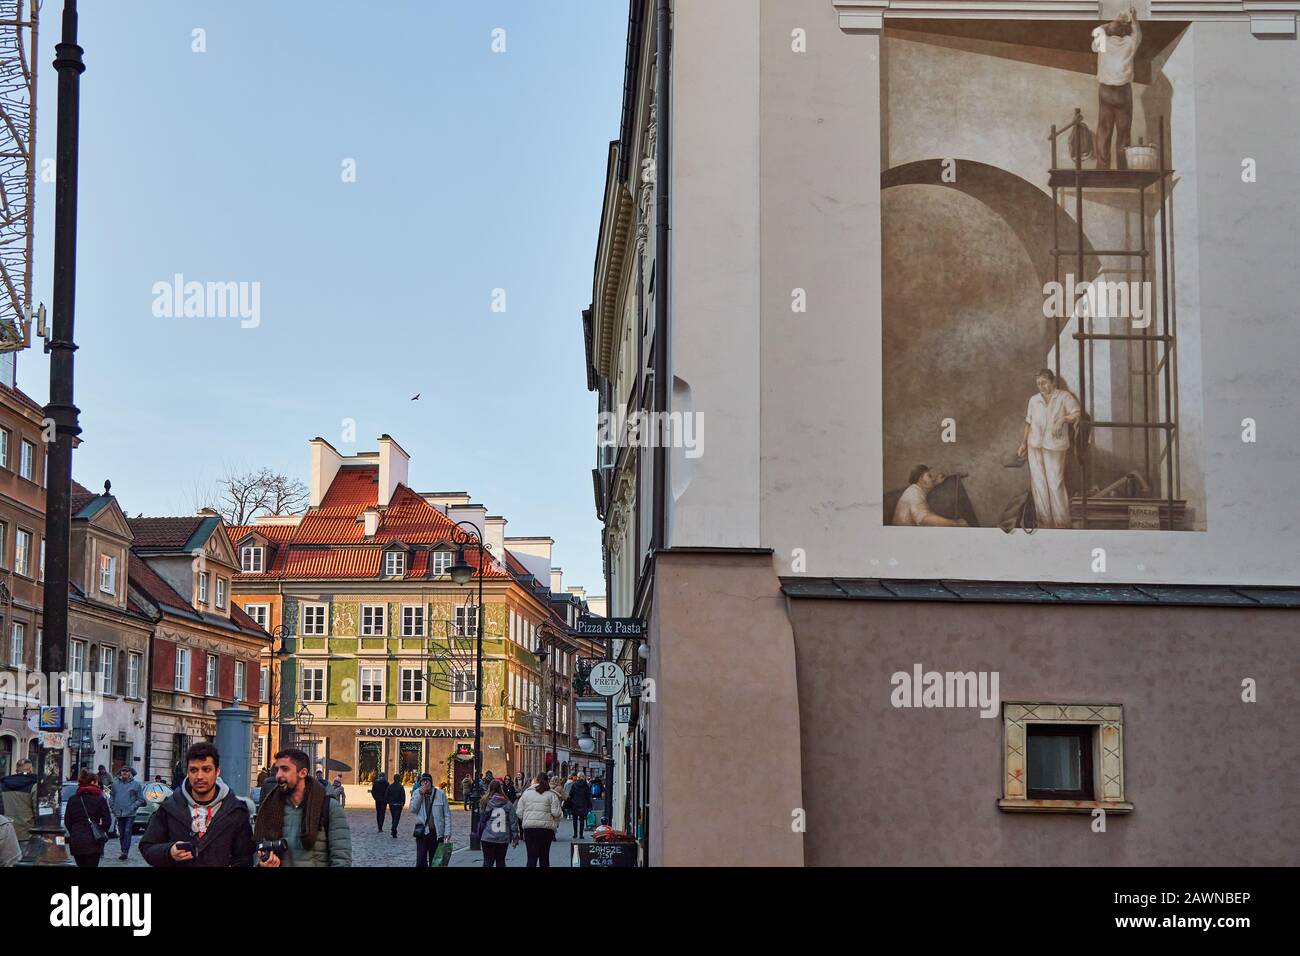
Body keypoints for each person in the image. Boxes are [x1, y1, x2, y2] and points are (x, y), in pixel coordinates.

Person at [139, 742, 253, 867]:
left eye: (206, 769)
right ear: (187, 772)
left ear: (217, 771)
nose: (199, 776)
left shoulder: (236, 811)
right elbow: (147, 847)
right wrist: (169, 851)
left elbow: (244, 858)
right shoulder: (169, 807)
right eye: (193, 770)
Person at [253, 749, 352, 867]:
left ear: (303, 773)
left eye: (285, 769)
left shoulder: (329, 807)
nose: (278, 775)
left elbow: (341, 859)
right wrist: (264, 863)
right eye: (277, 769)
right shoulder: (270, 806)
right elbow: (259, 849)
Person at [1017, 369, 1082, 529]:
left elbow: (1077, 413)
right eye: (1038, 384)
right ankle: (1044, 524)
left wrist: (1062, 420)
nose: (1041, 386)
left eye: (1044, 382)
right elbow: (1028, 423)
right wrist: (1023, 443)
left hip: (1055, 446)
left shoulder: (1064, 397)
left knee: (1055, 483)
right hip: (1035, 445)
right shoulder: (1034, 400)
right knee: (1039, 485)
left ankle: (1061, 524)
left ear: (1053, 382)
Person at [1092, 4, 1141, 170]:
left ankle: (1102, 166)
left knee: (1104, 128)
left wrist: (1114, 21)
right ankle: (1122, 167)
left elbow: (1097, 30)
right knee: (1124, 131)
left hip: (1105, 91)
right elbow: (1137, 32)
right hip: (1123, 91)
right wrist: (1131, 19)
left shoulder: (1103, 42)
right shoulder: (1129, 43)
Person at [63, 769, 113, 868]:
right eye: (97, 782)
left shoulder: (73, 799)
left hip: (76, 840)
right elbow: (107, 820)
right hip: (94, 840)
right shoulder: (99, 799)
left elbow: (67, 821)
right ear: (93, 782)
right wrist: (101, 830)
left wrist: (74, 831)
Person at [893, 466, 969, 527]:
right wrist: (954, 523)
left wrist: (936, 482)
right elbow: (924, 518)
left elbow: (925, 490)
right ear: (921, 479)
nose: (932, 478)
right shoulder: (913, 493)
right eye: (929, 476)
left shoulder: (916, 489)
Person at [514, 773, 563, 868]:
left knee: (531, 858)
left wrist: (527, 819)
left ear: (536, 781)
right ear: (547, 781)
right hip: (546, 829)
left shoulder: (526, 793)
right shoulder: (551, 795)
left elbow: (519, 812)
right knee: (544, 857)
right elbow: (557, 813)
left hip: (530, 829)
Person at [409, 773, 452, 868]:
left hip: (437, 833)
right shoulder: (416, 793)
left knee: (436, 862)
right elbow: (413, 809)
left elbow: (447, 814)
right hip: (423, 833)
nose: (425, 784)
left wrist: (447, 832)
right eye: (423, 782)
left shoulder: (440, 794)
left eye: (427, 781)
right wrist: (420, 795)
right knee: (420, 862)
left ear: (431, 782)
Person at [477, 780, 519, 868]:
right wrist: (515, 837)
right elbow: (513, 821)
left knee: (487, 861)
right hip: (502, 837)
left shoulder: (485, 802)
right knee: (500, 861)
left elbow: (482, 819)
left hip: (487, 836)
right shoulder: (508, 803)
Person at [108, 764, 146, 861]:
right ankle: (123, 850)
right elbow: (111, 796)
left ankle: (125, 852)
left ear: (130, 773)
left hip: (130, 813)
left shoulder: (136, 785)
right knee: (121, 833)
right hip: (119, 812)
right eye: (123, 771)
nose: (124, 772)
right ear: (120, 772)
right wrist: (112, 806)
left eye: (127, 771)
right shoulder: (115, 784)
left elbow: (141, 799)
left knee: (127, 831)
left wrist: (133, 806)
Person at [0, 758, 38, 845]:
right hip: (26, 833)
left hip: (5, 831)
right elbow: (37, 810)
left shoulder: (3, 784)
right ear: (30, 770)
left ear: (16, 771)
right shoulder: (34, 786)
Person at [568, 773, 593, 840]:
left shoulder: (574, 785)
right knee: (582, 820)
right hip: (583, 804)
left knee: (575, 820)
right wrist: (590, 805)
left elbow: (571, 794)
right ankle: (581, 835)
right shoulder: (586, 786)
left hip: (575, 804)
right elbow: (588, 796)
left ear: (578, 777)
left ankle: (575, 834)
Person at [385, 772, 407, 838]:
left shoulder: (390, 786)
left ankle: (394, 832)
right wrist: (403, 802)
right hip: (398, 804)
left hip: (392, 804)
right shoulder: (400, 787)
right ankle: (393, 828)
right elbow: (403, 795)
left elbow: (386, 795)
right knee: (396, 818)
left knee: (394, 817)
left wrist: (388, 801)